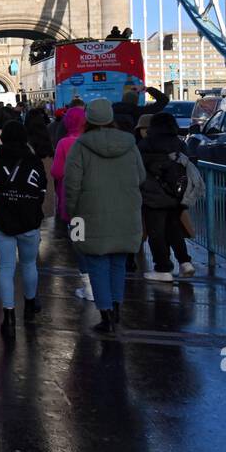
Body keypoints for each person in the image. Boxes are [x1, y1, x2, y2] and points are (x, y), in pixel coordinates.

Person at [65, 98, 145, 332]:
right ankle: (117, 309)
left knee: (97, 263)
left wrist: (72, 213)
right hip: (126, 212)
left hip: (89, 213)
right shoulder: (129, 144)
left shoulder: (80, 146)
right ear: (111, 118)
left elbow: (72, 185)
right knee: (118, 263)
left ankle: (106, 315)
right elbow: (140, 177)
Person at [0, 120, 47, 336]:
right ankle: (30, 303)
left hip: (2, 218)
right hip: (28, 218)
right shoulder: (33, 160)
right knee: (29, 264)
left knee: (6, 267)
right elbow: (42, 189)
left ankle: (9, 315)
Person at [138, 112, 198, 280]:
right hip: (175, 195)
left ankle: (163, 268)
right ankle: (185, 262)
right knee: (175, 229)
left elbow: (138, 169)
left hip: (152, 196)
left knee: (156, 232)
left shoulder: (146, 144)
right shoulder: (179, 144)